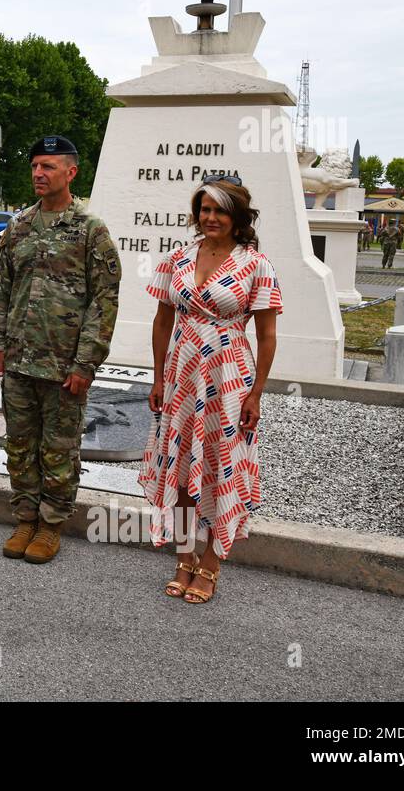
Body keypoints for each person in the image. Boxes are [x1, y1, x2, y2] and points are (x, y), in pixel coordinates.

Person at [141, 177, 281, 604]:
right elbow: (163, 321)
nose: (211, 217)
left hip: (229, 376)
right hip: (183, 374)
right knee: (183, 471)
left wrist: (256, 393)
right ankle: (185, 558)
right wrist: (159, 377)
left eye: (220, 210)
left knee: (222, 471)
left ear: (237, 216)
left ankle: (212, 563)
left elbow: (268, 335)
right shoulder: (178, 259)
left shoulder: (256, 265)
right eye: (205, 209)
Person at [0, 136, 121, 564]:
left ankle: (50, 525)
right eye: (34, 166)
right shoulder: (19, 227)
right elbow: (5, 289)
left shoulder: (90, 230)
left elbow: (104, 301)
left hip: (65, 364)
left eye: (48, 166)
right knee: (19, 444)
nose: (38, 174)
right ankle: (25, 517)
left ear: (72, 172)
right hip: (19, 361)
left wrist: (86, 361)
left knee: (60, 448)